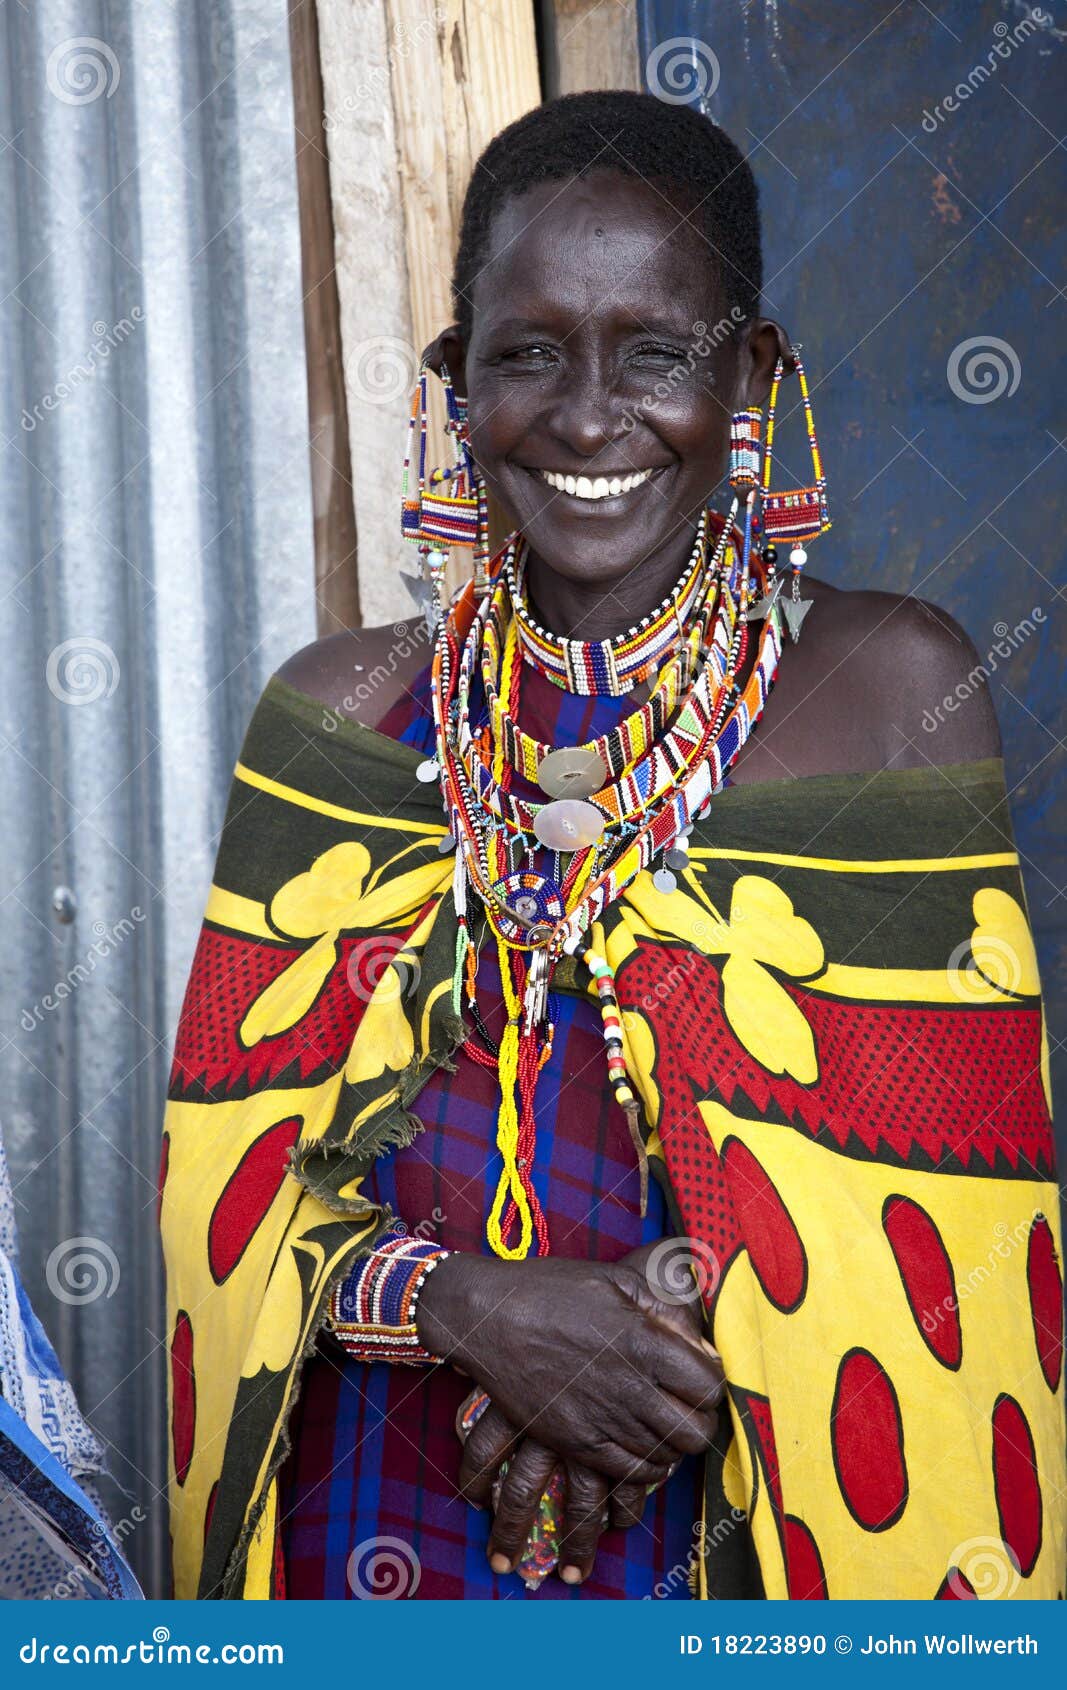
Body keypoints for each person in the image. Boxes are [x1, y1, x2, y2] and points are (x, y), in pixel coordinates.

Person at [161, 91, 1064, 1601]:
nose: (587, 418)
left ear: (754, 374)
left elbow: (943, 1243)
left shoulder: (889, 691)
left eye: (657, 352)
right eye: (527, 354)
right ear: (456, 382)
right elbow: (224, 1202)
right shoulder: (341, 710)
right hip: (377, 1503)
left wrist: (632, 1336)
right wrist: (472, 1309)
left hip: (739, 1535)